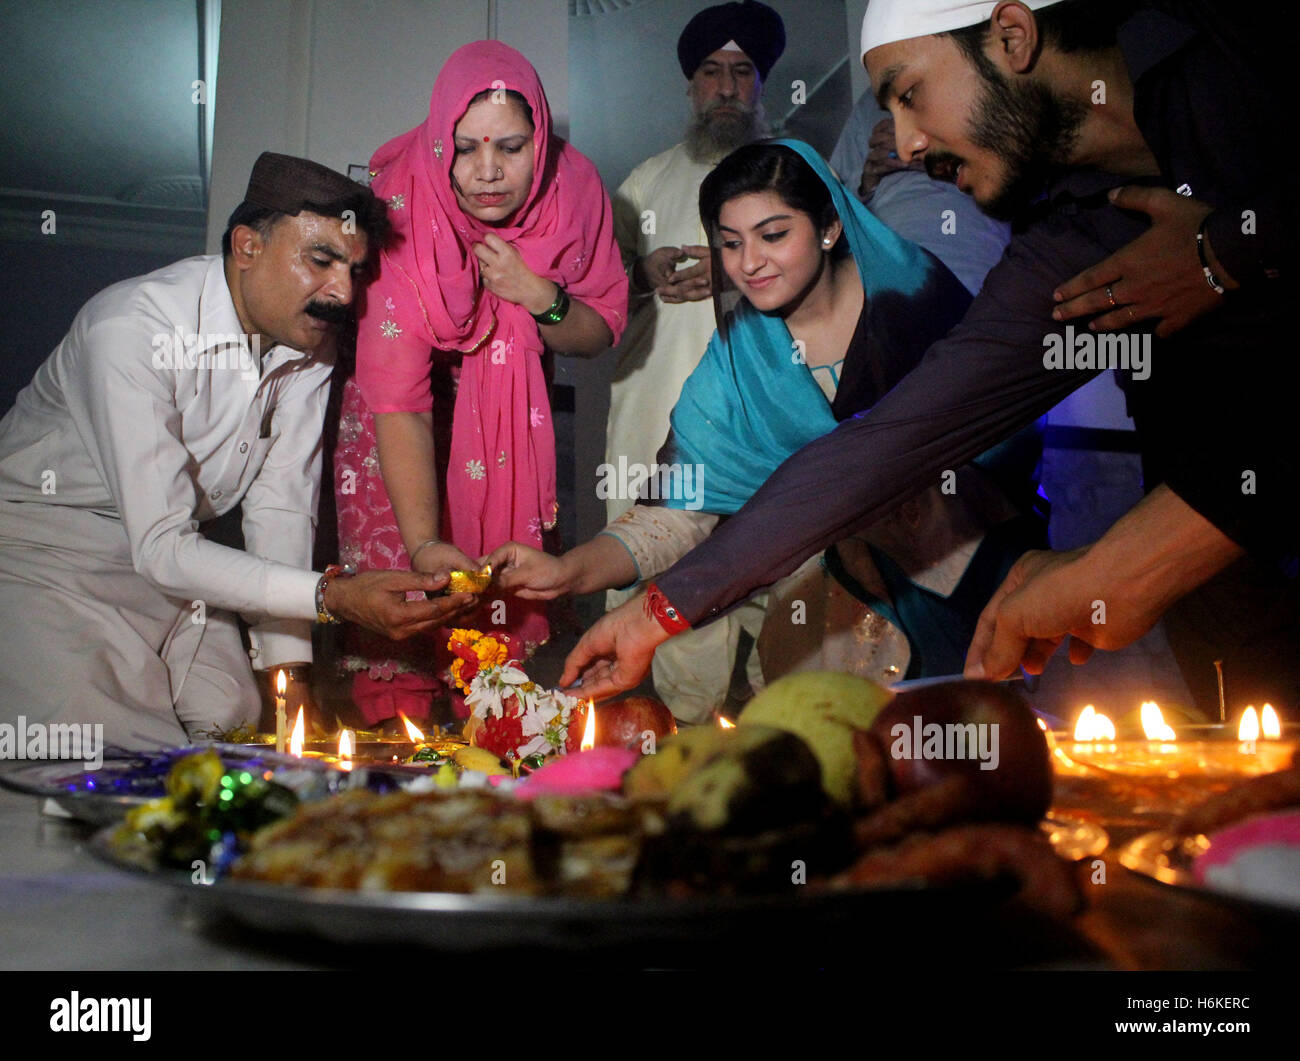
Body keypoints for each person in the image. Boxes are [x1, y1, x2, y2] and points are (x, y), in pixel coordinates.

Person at [561, 0, 1294, 717]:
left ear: (1012, 35)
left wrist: (1228, 250)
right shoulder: (1066, 247)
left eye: (910, 94)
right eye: (730, 242)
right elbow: (891, 441)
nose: (905, 145)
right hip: (1226, 570)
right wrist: (657, 610)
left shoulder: (1235, 52)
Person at [490, 139, 1044, 693]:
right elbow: (681, 509)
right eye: (730, 243)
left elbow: (1005, 430)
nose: (749, 263)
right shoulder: (739, 359)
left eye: (773, 235)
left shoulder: (915, 298)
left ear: (829, 228)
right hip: (850, 613)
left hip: (979, 574)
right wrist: (569, 572)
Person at [0, 152, 476, 750]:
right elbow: (161, 546)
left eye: (354, 270)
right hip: (46, 556)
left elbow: (280, 509)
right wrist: (333, 598)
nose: (344, 294)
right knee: (102, 743)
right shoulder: (130, 329)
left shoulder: (309, 348)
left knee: (240, 716)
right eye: (321, 260)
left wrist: (290, 673)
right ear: (248, 247)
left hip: (177, 567)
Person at [335, 41, 627, 728]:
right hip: (396, 414)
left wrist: (538, 294)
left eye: (512, 146)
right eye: (465, 147)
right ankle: (394, 763)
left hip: (505, 422)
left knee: (496, 618)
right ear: (440, 141)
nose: (487, 172)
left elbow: (600, 328)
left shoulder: (575, 188)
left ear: (542, 140)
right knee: (404, 608)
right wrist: (424, 544)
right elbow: (400, 401)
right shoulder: (400, 202)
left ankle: (489, 756)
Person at [603, 0, 786, 722]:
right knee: (674, 574)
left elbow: (836, 277)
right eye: (711, 72)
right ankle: (686, 733)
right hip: (658, 419)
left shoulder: (789, 175)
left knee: (782, 574)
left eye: (743, 72)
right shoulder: (642, 184)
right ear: (690, 87)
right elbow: (587, 305)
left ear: (761, 86)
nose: (727, 87)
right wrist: (643, 273)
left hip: (768, 425)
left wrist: (736, 267)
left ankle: (781, 743)